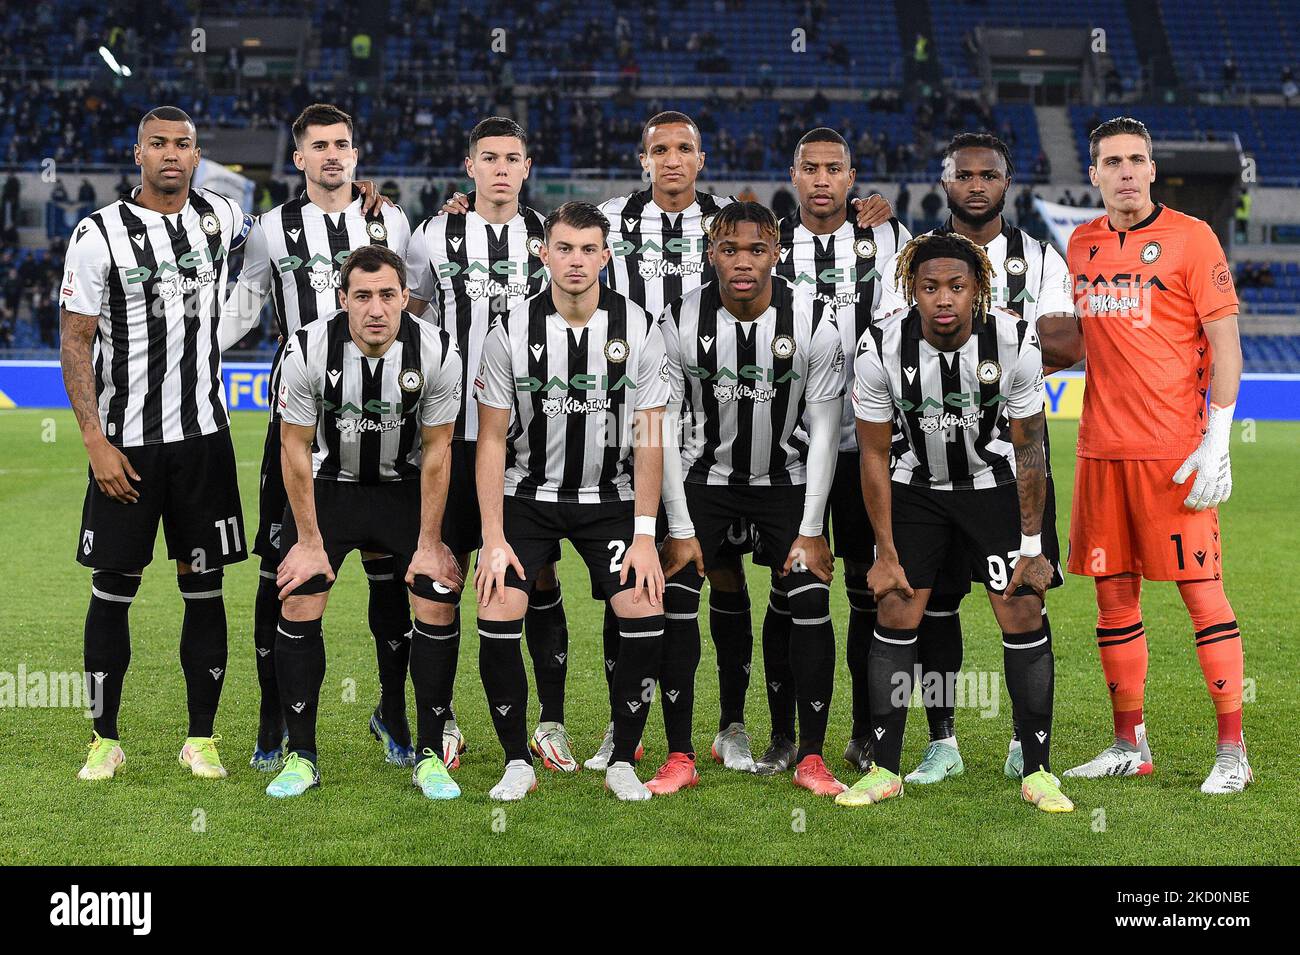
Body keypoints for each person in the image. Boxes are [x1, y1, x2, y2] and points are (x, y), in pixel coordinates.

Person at [1053, 117, 1251, 794]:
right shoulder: (1079, 244)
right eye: (1113, 161)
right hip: (1100, 452)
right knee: (1113, 599)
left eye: (1137, 158)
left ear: (1153, 169)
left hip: (1174, 455)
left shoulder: (1193, 238)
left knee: (1203, 595)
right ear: (1095, 175)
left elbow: (1226, 346)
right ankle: (1127, 742)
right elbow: (1076, 341)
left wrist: (1217, 442)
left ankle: (1233, 750)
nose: (1127, 171)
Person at [842, 231, 1071, 813]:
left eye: (956, 286)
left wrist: (1030, 544)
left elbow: (1030, 449)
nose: (943, 298)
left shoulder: (1016, 339)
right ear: (910, 290)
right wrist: (885, 552)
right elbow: (872, 454)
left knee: (1021, 607)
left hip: (996, 487)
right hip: (915, 488)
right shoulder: (880, 347)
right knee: (896, 605)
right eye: (929, 287)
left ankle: (1038, 768)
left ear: (979, 291)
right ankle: (885, 768)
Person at [59, 106, 253, 782]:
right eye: (158, 143)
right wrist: (94, 439)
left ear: (198, 155)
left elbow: (295, 231)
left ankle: (201, 737)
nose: (172, 154)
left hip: (202, 441)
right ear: (137, 152)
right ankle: (103, 738)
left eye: (184, 144)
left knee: (205, 589)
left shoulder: (222, 218)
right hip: (126, 447)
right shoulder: (97, 234)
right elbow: (75, 341)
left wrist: (361, 198)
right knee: (113, 588)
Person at [874, 132, 1076, 783]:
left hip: (1008, 462)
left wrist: (989, 329)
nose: (977, 184)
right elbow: (898, 332)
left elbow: (1067, 342)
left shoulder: (1038, 255)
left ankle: (1027, 742)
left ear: (1007, 182)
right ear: (946, 182)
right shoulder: (913, 257)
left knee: (1022, 594)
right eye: (965, 174)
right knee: (929, 606)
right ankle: (943, 741)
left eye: (989, 173)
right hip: (923, 464)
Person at [220, 103, 414, 773]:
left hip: (388, 423)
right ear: (297, 157)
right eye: (318, 146)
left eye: (342, 144)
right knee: (282, 574)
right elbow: (238, 312)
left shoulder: (391, 220)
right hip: (300, 424)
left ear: (356, 154)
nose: (333, 155)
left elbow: (419, 309)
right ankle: (274, 721)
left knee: (393, 577)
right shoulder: (272, 230)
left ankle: (393, 712)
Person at [473, 201, 668, 801]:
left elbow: (651, 435)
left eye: (588, 249)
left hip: (610, 496)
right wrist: (493, 539)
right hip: (526, 495)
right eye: (565, 248)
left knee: (639, 602)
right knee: (500, 601)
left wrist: (644, 534)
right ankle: (516, 762)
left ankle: (623, 759)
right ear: (545, 254)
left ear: (606, 256)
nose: (576, 260)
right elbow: (491, 442)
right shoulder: (510, 328)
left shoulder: (637, 327)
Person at [657, 201, 847, 797]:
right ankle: (685, 751)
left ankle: (809, 755)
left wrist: (812, 528)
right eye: (730, 250)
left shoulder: (814, 320)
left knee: (808, 594)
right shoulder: (678, 321)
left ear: (778, 252)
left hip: (785, 481)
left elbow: (823, 432)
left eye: (757, 250)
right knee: (680, 594)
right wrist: (680, 525)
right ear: (710, 253)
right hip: (702, 481)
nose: (743, 263)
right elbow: (659, 427)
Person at [267, 245, 464, 800]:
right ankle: (301, 755)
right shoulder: (307, 345)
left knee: (436, 595)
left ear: (406, 298)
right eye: (362, 296)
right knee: (301, 593)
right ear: (342, 299)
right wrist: (308, 541)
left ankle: (429, 754)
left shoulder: (436, 347)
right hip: (331, 489)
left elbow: (438, 449)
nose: (375, 309)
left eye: (386, 296)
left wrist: (429, 543)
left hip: (404, 490)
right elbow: (295, 447)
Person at [407, 117, 563, 771]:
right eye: (489, 158)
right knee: (441, 573)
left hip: (527, 445)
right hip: (451, 439)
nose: (501, 168)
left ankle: (549, 724)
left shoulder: (550, 239)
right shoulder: (433, 236)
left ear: (528, 168)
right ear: (469, 167)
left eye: (513, 158)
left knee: (538, 577)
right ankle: (440, 724)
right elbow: (410, 325)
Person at [755, 127, 911, 775]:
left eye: (834, 169)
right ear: (793, 174)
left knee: (866, 590)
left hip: (873, 446)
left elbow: (909, 334)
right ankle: (784, 734)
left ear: (853, 177)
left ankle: (864, 731)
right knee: (792, 588)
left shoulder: (889, 239)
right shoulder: (770, 243)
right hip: (793, 448)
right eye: (810, 168)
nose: (822, 179)